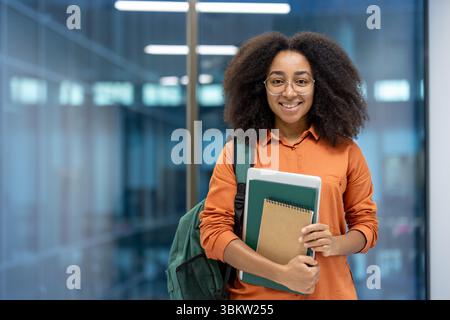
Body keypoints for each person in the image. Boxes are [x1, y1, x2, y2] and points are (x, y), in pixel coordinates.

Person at [199, 31, 378, 300]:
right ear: (261, 87)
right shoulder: (239, 151)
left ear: (321, 86)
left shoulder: (347, 152)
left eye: (302, 81)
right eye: (277, 81)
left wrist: (335, 243)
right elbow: (213, 233)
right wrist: (279, 273)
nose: (290, 92)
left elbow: (367, 227)